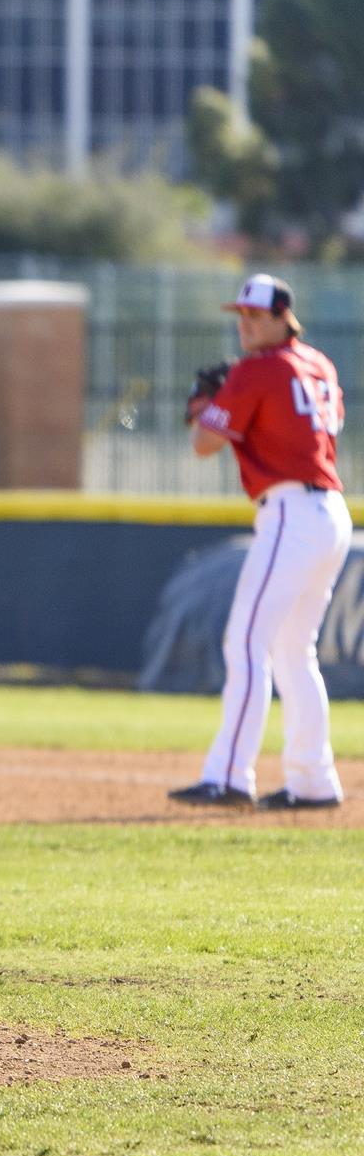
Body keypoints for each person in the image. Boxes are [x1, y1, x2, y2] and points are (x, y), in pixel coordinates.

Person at [170, 273, 350, 811]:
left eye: (255, 315)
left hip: (291, 513)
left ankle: (228, 776)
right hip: (332, 513)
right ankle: (314, 781)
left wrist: (209, 407)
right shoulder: (319, 364)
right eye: (240, 316)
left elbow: (203, 444)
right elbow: (316, 422)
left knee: (245, 642)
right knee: (294, 652)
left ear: (281, 316)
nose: (245, 325)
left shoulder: (257, 370)